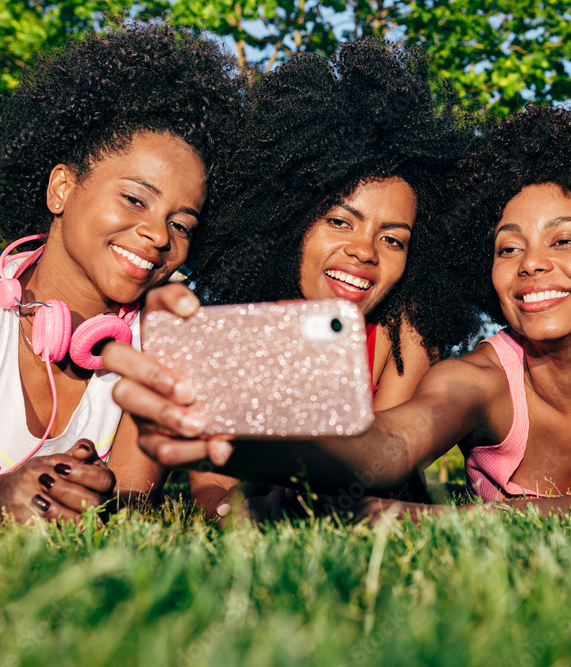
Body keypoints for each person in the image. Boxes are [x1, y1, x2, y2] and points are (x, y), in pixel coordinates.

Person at [109, 106, 571, 518]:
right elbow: (389, 444)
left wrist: (434, 524)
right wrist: (234, 440)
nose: (531, 264)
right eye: (508, 247)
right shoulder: (477, 378)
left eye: (564, 240)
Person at [104, 40, 480, 518]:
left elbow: (379, 468)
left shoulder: (403, 334)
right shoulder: (230, 330)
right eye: (339, 222)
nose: (364, 251)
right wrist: (230, 510)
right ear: (291, 223)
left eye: (393, 239)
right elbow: (210, 487)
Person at [0, 23, 243, 523]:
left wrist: (97, 498)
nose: (159, 236)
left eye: (181, 224)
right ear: (61, 188)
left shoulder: (162, 347)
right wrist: (3, 498)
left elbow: (127, 519)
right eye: (135, 199)